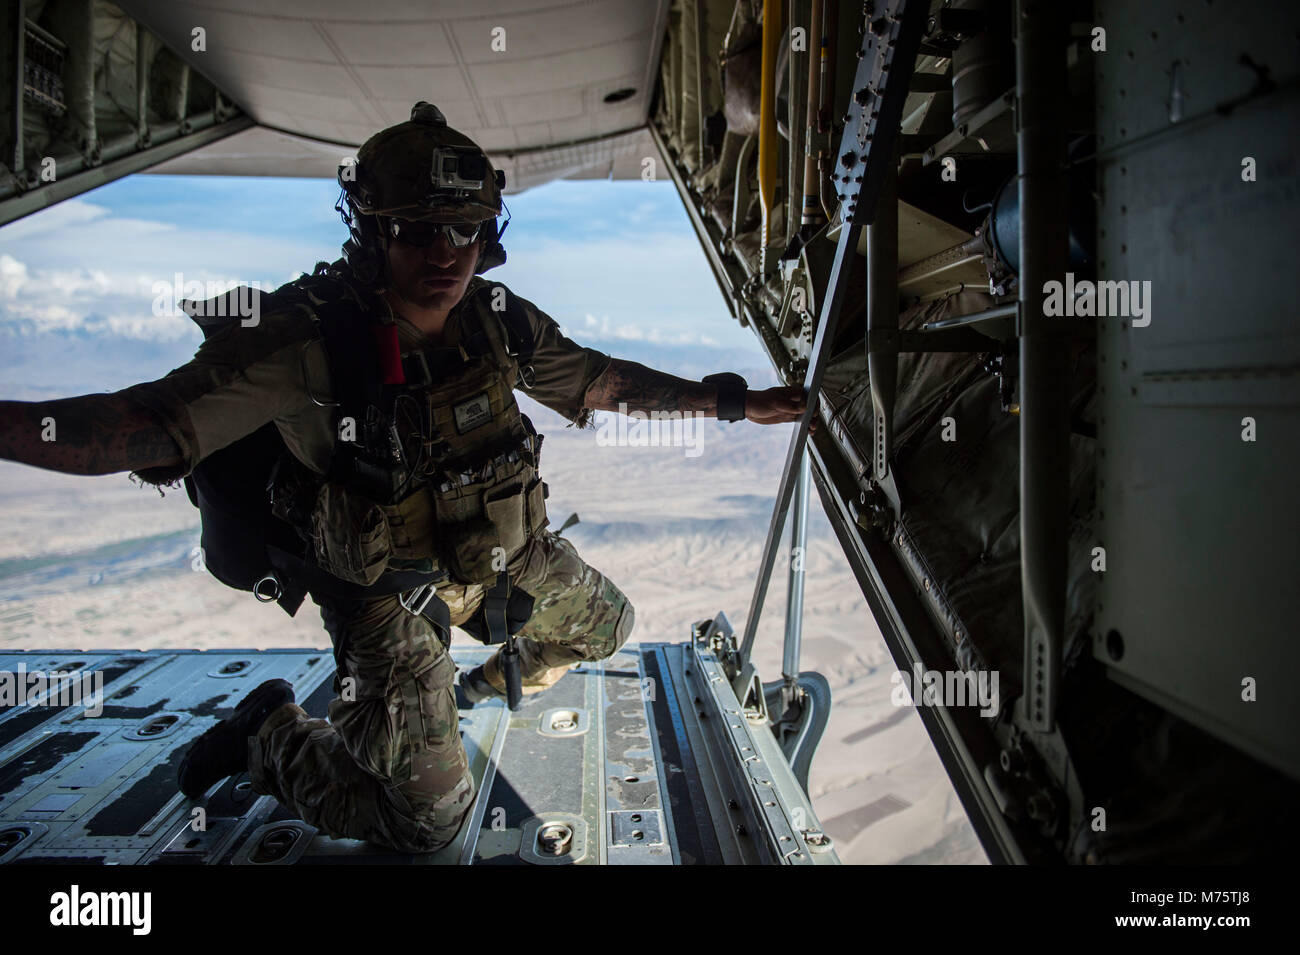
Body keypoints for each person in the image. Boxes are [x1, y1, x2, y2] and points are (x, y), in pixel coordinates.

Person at [0, 102, 807, 852]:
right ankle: (268, 737)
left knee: (606, 625)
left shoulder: (498, 321)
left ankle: (461, 697)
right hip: (388, 596)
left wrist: (739, 403)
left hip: (502, 560)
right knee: (426, 827)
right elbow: (139, 424)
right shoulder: (307, 336)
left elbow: (606, 383)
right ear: (373, 229)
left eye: (463, 228)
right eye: (418, 230)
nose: (443, 254)